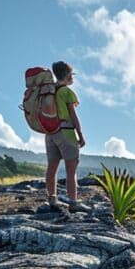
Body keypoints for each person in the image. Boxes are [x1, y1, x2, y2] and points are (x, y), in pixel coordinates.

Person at [45, 61, 88, 211]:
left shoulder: (49, 91)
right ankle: (73, 202)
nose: (73, 77)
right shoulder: (66, 92)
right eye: (72, 73)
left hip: (50, 133)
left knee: (52, 168)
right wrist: (80, 135)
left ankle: (52, 198)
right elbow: (73, 116)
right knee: (71, 169)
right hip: (66, 132)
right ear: (67, 75)